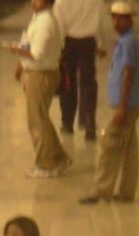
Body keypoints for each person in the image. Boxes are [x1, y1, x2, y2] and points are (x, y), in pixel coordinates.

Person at [79, 2, 139, 204]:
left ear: (129, 20)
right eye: (114, 17)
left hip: (124, 105)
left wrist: (122, 106)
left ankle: (101, 191)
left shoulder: (128, 42)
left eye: (120, 18)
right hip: (128, 104)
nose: (116, 21)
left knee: (110, 147)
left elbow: (128, 73)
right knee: (130, 150)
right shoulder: (125, 40)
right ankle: (126, 192)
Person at [11, 0, 73, 179]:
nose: (32, 2)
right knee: (41, 119)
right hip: (39, 72)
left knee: (36, 122)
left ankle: (46, 164)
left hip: (41, 75)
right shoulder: (39, 19)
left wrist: (15, 50)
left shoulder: (45, 23)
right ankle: (59, 157)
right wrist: (21, 67)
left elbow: (36, 54)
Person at [54, 0, 106, 140]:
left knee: (68, 84)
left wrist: (58, 50)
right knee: (88, 83)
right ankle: (89, 123)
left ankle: (67, 123)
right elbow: (100, 23)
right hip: (88, 43)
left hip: (68, 44)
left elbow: (59, 27)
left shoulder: (61, 2)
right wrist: (101, 44)